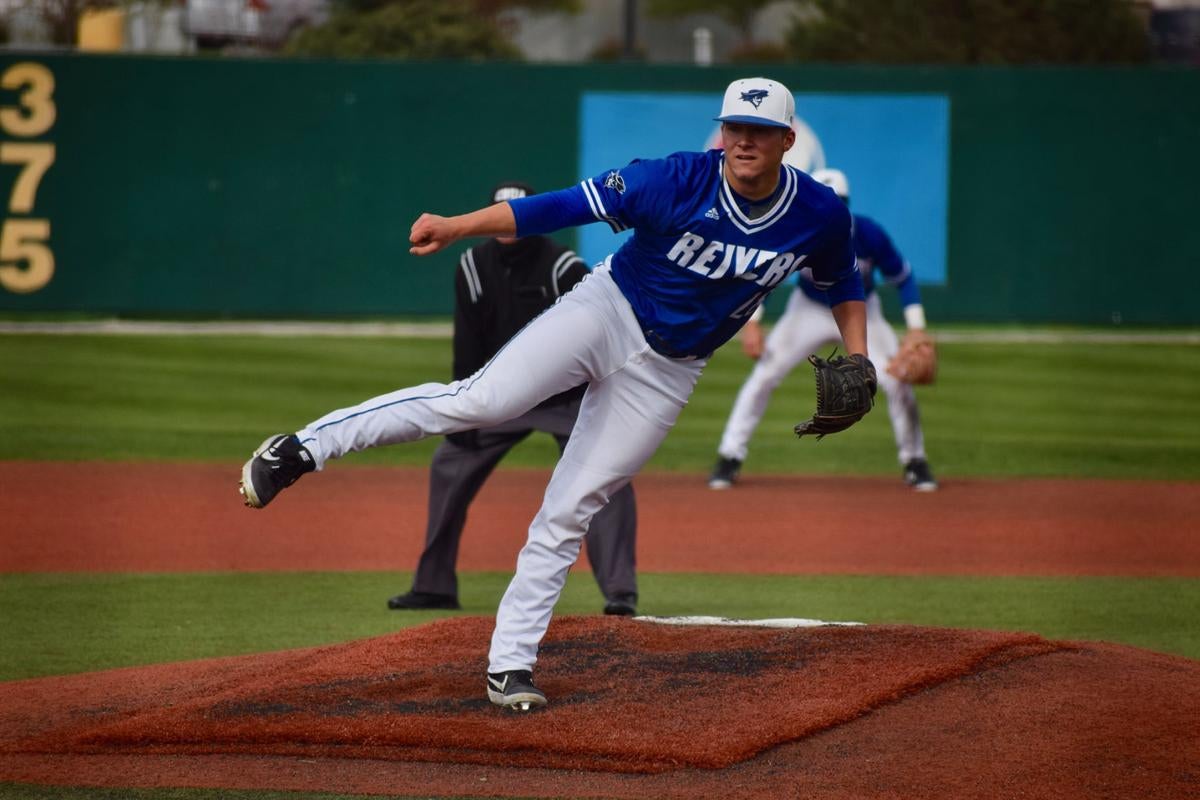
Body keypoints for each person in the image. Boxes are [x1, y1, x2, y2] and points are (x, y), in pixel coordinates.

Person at [239, 77, 871, 711]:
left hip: (671, 370)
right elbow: (561, 207)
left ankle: (509, 665)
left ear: (788, 140)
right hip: (607, 311)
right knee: (480, 401)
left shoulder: (817, 213)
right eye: (734, 126)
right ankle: (300, 448)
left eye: (758, 131)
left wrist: (860, 355)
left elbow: (841, 278)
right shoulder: (671, 179)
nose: (742, 140)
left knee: (573, 506)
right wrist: (460, 225)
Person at [387, 181, 639, 618]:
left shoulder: (564, 266)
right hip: (504, 392)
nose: (508, 224)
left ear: (533, 218)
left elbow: (601, 334)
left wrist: (600, 407)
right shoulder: (472, 265)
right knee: (450, 463)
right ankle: (433, 585)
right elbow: (467, 341)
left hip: (566, 397)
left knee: (607, 476)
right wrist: (462, 416)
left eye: (518, 214)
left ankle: (620, 592)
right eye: (501, 213)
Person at [708, 167, 938, 492]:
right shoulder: (797, 230)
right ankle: (729, 456)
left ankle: (915, 460)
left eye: (838, 202)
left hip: (860, 310)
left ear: (847, 204)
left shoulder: (869, 233)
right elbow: (765, 277)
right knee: (764, 374)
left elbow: (902, 278)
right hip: (808, 309)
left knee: (897, 382)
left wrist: (916, 328)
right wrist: (754, 323)